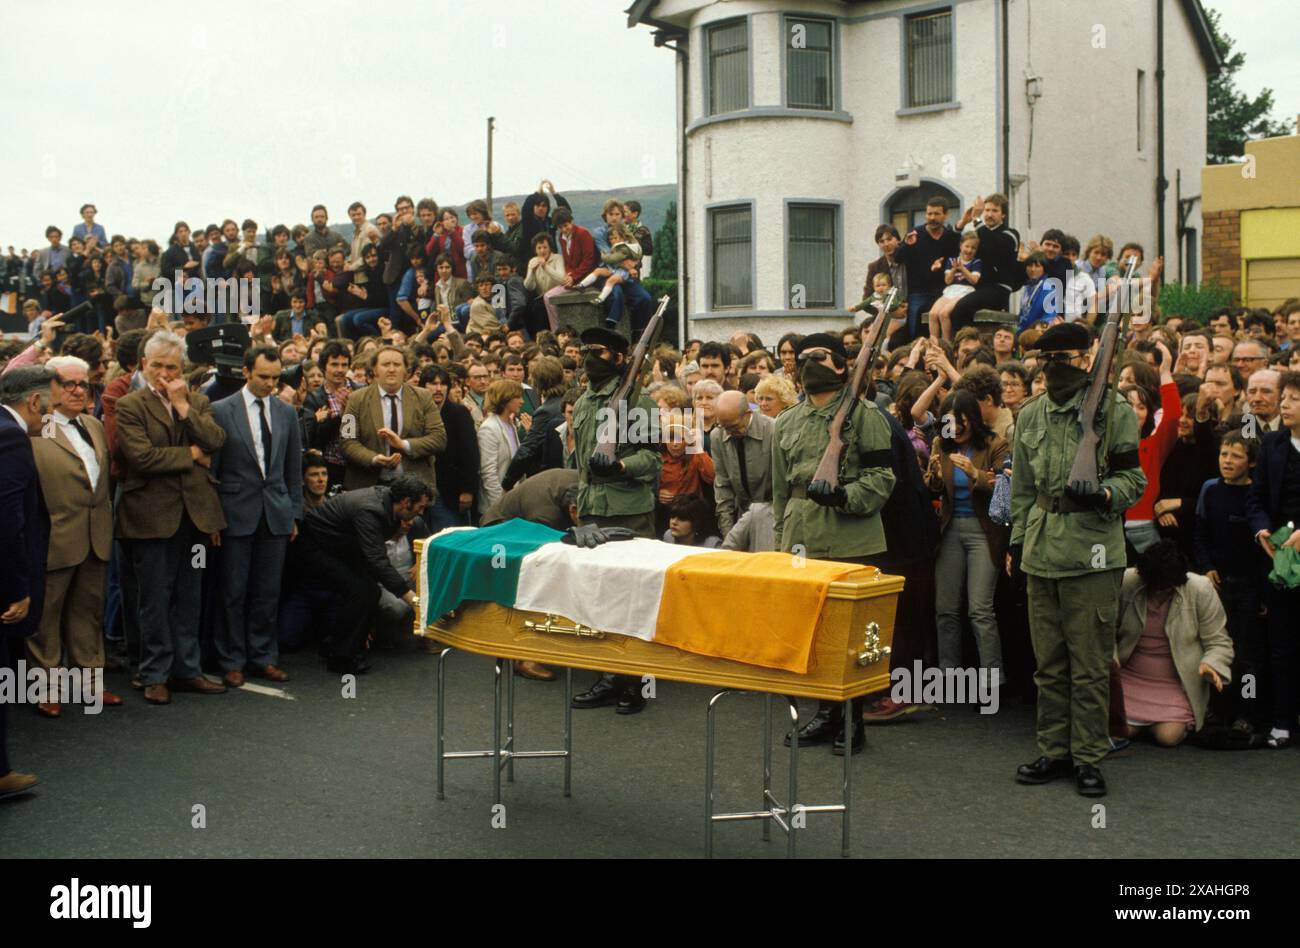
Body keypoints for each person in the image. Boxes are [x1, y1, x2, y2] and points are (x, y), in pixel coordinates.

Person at [1010, 322, 1146, 797]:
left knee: (1088, 664)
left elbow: (1135, 480)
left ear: (1086, 360)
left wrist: (1104, 494)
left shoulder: (1114, 411)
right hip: (1042, 551)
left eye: (1063, 360)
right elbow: (1024, 489)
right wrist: (1017, 542)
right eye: (1046, 361)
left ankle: (1089, 755)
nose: (1053, 369)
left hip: (1091, 553)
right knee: (1048, 663)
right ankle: (1054, 750)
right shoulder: (1030, 415)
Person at [773, 333, 896, 754]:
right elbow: (778, 493)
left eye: (819, 357)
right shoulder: (787, 421)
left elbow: (882, 479)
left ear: (843, 365)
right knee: (815, 631)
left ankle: (852, 720)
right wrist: (779, 543)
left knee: (853, 637)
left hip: (851, 535)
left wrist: (845, 497)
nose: (808, 363)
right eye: (801, 357)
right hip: (801, 535)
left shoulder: (866, 416)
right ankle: (825, 715)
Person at [114, 331, 229, 705]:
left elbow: (216, 441)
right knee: (154, 598)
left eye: (173, 367)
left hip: (195, 519)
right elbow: (141, 458)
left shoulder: (196, 401)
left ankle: (188, 670)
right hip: (150, 519)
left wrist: (183, 408)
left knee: (189, 596)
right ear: (144, 365)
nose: (166, 373)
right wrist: (190, 455)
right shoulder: (130, 405)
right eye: (159, 366)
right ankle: (154, 673)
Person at [570, 327, 663, 716]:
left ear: (622, 358)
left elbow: (654, 458)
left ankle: (640, 679)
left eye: (601, 352)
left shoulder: (638, 401)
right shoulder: (583, 402)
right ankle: (610, 674)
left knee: (635, 597)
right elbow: (575, 462)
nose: (591, 357)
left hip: (628, 509)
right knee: (603, 596)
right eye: (586, 350)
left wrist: (622, 465)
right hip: (593, 508)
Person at [28, 356, 120, 716]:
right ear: (49, 388)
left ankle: (89, 686)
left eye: (84, 384)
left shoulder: (93, 425)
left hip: (95, 537)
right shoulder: (37, 429)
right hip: (55, 538)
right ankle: (43, 689)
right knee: (45, 618)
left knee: (88, 614)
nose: (79, 390)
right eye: (69, 384)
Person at [209, 346, 303, 688]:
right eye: (264, 377)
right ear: (246, 371)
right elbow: (212, 473)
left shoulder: (286, 412)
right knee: (232, 590)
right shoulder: (220, 410)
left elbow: (294, 468)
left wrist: (294, 513)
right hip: (235, 512)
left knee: (268, 591)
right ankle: (231, 659)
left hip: (275, 513)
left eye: (276, 378)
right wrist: (213, 520)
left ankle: (264, 656)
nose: (270, 384)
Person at [297, 476, 430, 675]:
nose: (421, 513)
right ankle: (342, 658)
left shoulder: (389, 506)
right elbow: (377, 561)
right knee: (361, 591)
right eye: (419, 507)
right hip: (316, 546)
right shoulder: (370, 511)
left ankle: (337, 646)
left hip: (339, 545)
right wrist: (411, 598)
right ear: (406, 502)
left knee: (368, 590)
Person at [925, 389, 1010, 685]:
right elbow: (934, 490)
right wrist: (934, 476)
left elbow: (1004, 490)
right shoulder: (940, 443)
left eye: (962, 424)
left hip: (983, 531)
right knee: (945, 607)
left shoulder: (995, 444)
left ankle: (992, 677)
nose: (956, 432)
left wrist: (976, 473)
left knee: (979, 609)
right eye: (950, 425)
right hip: (950, 530)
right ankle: (949, 675)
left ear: (973, 421)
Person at [1116, 540, 1234, 745]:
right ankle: (1137, 721)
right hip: (1130, 676)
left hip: (1177, 680)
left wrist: (1211, 664)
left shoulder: (1200, 588)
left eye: (1166, 588)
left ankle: (1164, 718)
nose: (1159, 592)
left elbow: (1218, 641)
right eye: (1155, 587)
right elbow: (1104, 631)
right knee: (1121, 730)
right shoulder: (1127, 581)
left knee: (1168, 737)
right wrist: (1111, 660)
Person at [0, 366, 56, 798]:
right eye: (49, 409)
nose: (48, 418)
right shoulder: (11, 436)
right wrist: (18, 588)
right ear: (34, 401)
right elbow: (8, 520)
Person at [1244, 370, 1300, 748]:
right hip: (1279, 556)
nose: (1285, 404)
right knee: (1281, 642)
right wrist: (1261, 529)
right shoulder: (1272, 445)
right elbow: (1256, 498)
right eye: (1286, 398)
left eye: (1295, 399)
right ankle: (1281, 721)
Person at [340, 345, 447, 492]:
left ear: (406, 371)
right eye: (385, 365)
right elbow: (347, 441)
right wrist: (374, 459)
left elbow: (439, 438)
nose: (391, 369)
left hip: (415, 488)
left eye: (397, 365)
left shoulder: (424, 397)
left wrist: (403, 445)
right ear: (375, 371)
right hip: (367, 486)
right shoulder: (355, 399)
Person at [419, 365, 479, 532]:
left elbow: (470, 455)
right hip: (424, 489)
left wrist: (467, 490)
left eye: (443, 384)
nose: (438, 389)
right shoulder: (418, 414)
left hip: (451, 492)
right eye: (433, 383)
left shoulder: (459, 413)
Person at [710, 389, 774, 537]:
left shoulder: (773, 430)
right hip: (742, 517)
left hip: (772, 516)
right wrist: (728, 532)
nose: (729, 432)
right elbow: (722, 487)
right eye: (724, 427)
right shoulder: (718, 436)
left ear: (748, 414)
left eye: (733, 427)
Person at [477, 378, 525, 514]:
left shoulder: (511, 424)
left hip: (513, 501)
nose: (522, 401)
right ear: (505, 399)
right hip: (497, 507)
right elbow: (488, 472)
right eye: (518, 397)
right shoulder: (489, 428)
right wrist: (499, 506)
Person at [482, 467, 580, 532]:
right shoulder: (546, 514)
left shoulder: (584, 483)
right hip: (498, 524)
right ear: (573, 510)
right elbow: (545, 544)